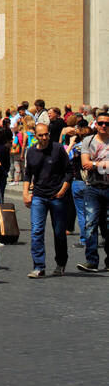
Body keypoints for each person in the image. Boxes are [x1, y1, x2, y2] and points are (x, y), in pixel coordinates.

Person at [23, 120, 71, 278]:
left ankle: (61, 263)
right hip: (38, 196)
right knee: (36, 231)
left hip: (57, 196)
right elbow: (28, 174)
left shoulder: (57, 149)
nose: (45, 137)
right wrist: (25, 193)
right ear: (35, 136)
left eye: (47, 134)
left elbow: (69, 171)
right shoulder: (31, 152)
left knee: (58, 233)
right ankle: (38, 266)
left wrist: (63, 189)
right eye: (41, 135)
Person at [77, 109, 109, 273]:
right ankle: (91, 261)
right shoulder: (88, 141)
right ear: (95, 124)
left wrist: (95, 164)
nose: (104, 126)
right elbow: (84, 163)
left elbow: (91, 164)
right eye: (101, 123)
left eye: (107, 123)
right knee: (90, 225)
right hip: (92, 188)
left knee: (108, 227)